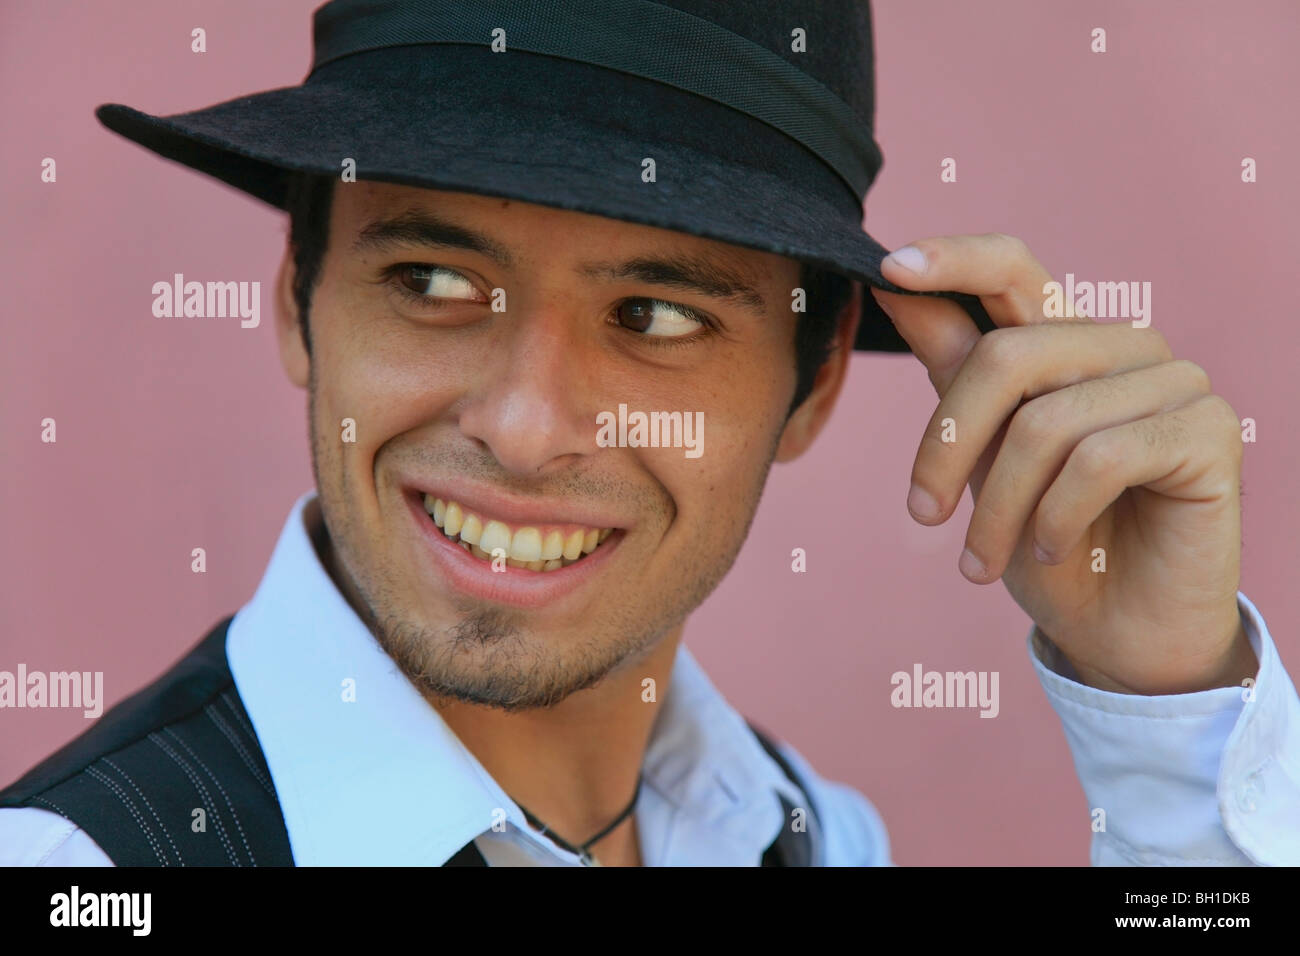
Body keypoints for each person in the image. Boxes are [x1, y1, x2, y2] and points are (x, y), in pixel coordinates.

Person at [2, 0, 1295, 866]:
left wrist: (1164, 706)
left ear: (817, 379)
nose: (522, 428)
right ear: (298, 301)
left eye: (656, 314)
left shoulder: (816, 839)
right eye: (434, 286)